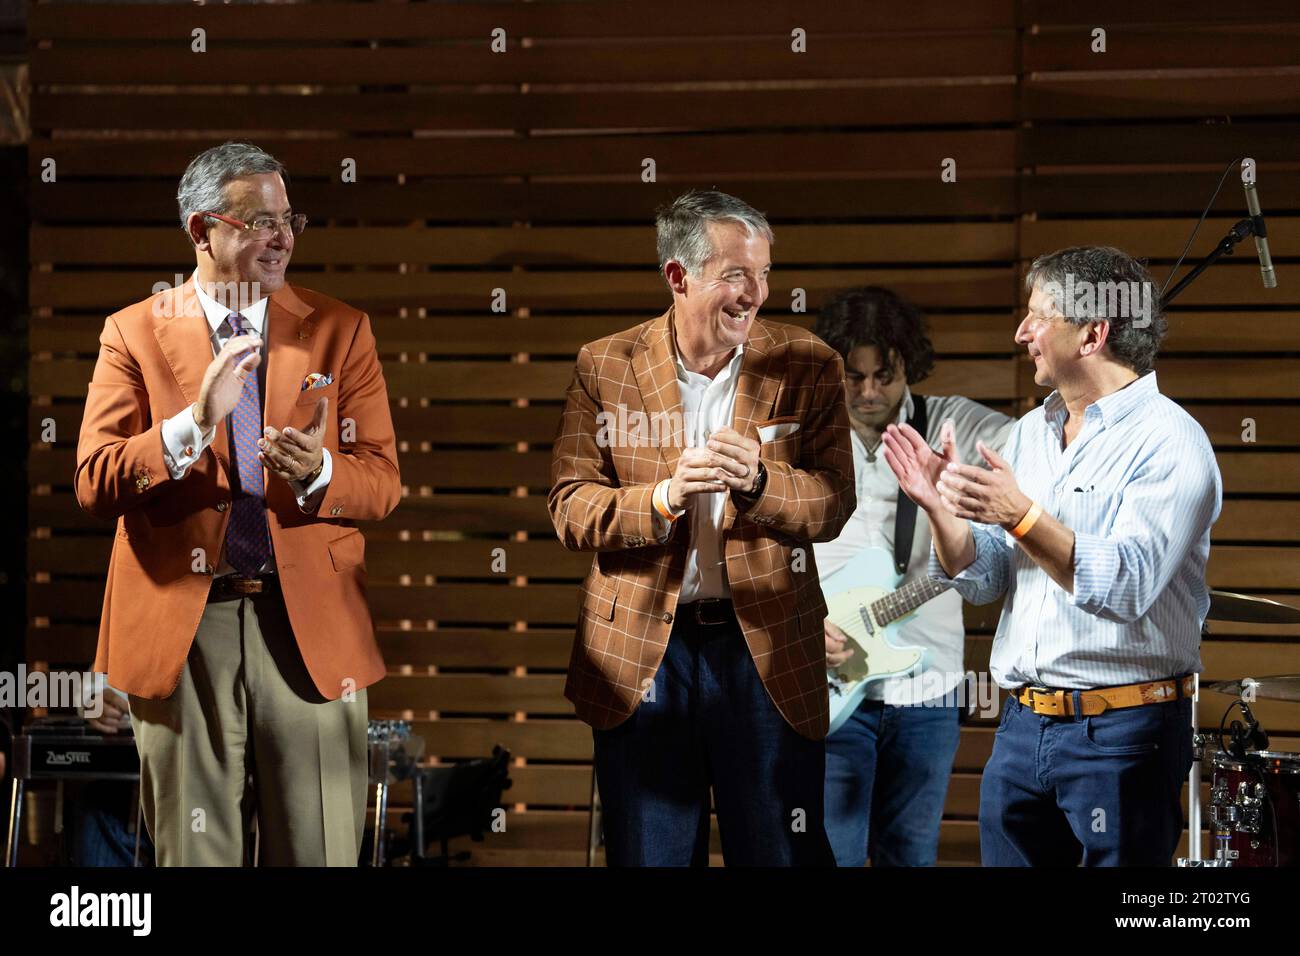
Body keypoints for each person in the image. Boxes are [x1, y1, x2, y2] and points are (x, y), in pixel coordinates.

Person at [75, 141, 401, 866]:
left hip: (308, 619)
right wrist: (192, 422)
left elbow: (381, 483)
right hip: (186, 624)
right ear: (202, 231)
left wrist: (320, 474)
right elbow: (95, 479)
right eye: (259, 221)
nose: (281, 237)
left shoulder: (340, 329)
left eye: (289, 219)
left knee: (319, 849)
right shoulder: (132, 332)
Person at [883, 246, 1222, 866]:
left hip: (1122, 737)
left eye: (1038, 317)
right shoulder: (1030, 433)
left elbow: (1125, 584)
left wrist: (1019, 512)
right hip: (1021, 730)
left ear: (1093, 333)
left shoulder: (1172, 442)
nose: (1021, 333)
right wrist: (938, 508)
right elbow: (984, 577)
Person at [549, 189, 854, 866]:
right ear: (678, 277)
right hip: (643, 658)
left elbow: (833, 504)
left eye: (765, 274)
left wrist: (760, 483)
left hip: (766, 653)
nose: (756, 293)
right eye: (736, 275)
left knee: (782, 853)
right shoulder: (603, 365)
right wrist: (660, 498)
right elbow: (570, 506)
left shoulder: (811, 364)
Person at [812, 287, 1012, 867]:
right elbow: (757, 552)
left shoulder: (951, 421)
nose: (870, 392)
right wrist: (800, 624)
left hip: (928, 688)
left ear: (909, 366)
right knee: (832, 855)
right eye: (853, 377)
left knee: (910, 855)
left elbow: (1041, 448)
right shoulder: (801, 441)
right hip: (827, 681)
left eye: (885, 375)